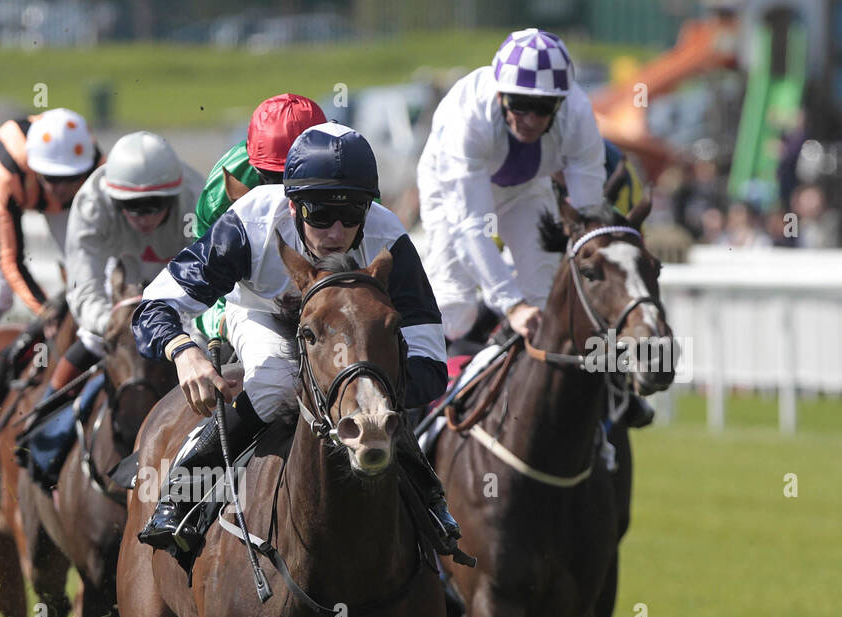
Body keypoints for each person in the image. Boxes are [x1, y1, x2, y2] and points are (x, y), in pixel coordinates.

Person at [131, 123, 459, 554]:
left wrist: (376, 391)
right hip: (264, 315)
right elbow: (154, 305)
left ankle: (431, 502)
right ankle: (183, 491)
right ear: (292, 205)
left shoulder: (390, 237)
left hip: (350, 334)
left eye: (352, 214)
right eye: (320, 215)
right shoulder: (250, 221)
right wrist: (182, 350)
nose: (337, 232)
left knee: (375, 401)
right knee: (274, 384)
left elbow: (431, 360)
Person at [17, 131, 202, 488]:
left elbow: (213, 283)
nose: (144, 217)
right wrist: (116, 325)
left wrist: (181, 329)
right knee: (88, 336)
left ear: (174, 194)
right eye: (132, 207)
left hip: (180, 292)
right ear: (114, 199)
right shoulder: (91, 204)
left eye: (155, 205)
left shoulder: (197, 198)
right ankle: (43, 423)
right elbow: (83, 291)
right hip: (117, 286)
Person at [416, 28, 604, 352]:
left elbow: (588, 215)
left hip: (525, 187)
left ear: (561, 103)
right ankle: (426, 392)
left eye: (543, 107)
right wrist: (512, 306)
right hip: (451, 187)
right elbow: (470, 226)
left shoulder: (579, 115)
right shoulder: (470, 117)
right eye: (520, 104)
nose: (530, 119)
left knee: (542, 297)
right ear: (500, 94)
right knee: (454, 306)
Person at [0, 108, 103, 440]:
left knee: (83, 276)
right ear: (37, 170)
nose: (62, 191)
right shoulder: (8, 173)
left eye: (70, 180)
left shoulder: (98, 170)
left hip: (37, 173)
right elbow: (11, 260)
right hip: (3, 176)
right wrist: (45, 311)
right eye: (53, 179)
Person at [192, 93, 326, 339]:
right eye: (272, 177)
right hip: (246, 305)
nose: (280, 196)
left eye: (294, 179)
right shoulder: (219, 193)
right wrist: (220, 322)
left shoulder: (351, 176)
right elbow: (202, 280)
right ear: (253, 164)